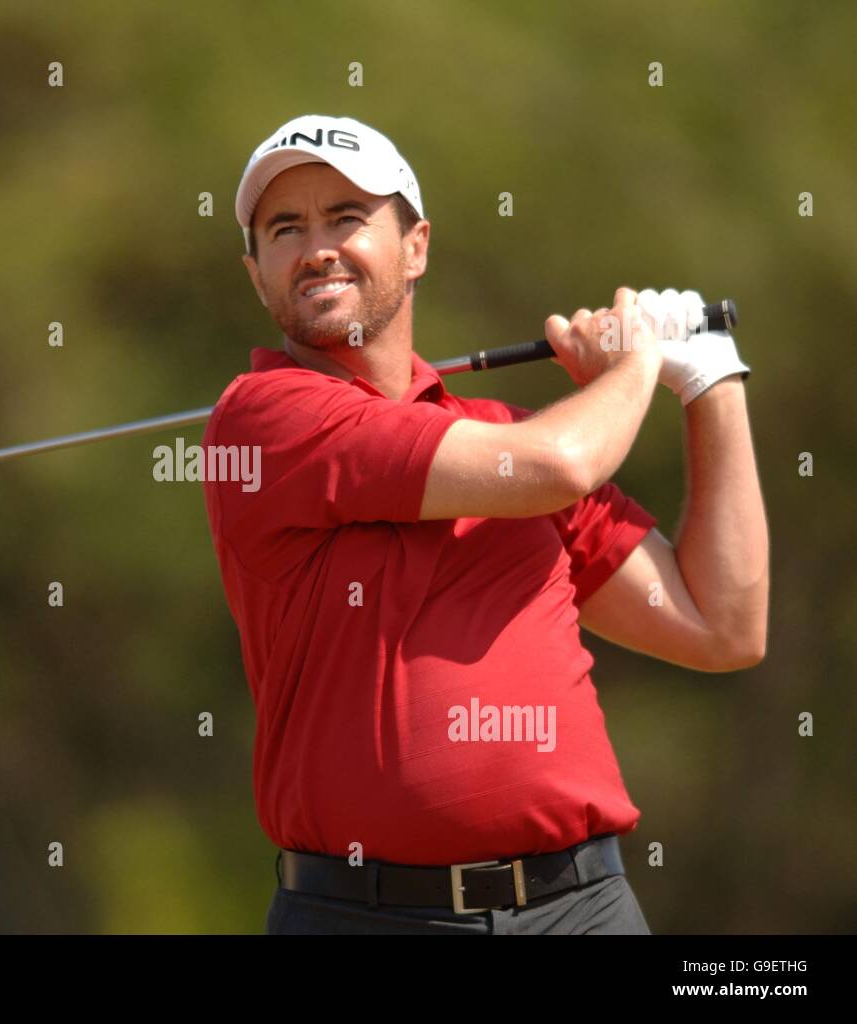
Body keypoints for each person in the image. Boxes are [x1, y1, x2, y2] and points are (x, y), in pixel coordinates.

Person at [202, 114, 769, 935]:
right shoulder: (262, 420)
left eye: (347, 217)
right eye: (286, 228)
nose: (317, 246)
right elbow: (562, 464)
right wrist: (642, 357)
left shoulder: (504, 429)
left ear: (417, 245)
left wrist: (711, 379)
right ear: (258, 275)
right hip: (361, 916)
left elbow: (724, 626)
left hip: (584, 909)